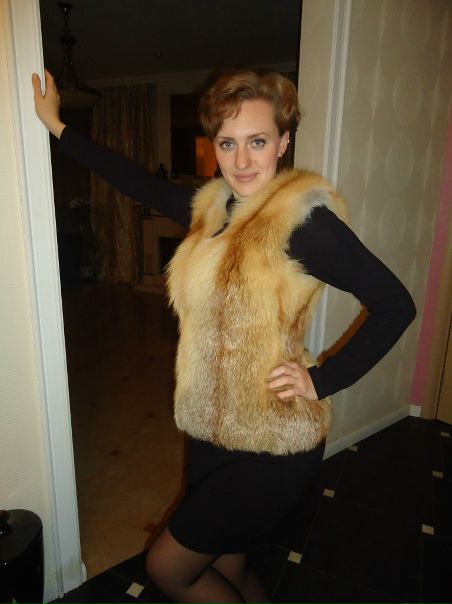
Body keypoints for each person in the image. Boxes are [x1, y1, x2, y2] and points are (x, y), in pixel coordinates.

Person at [33, 69, 416, 604]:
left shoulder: (304, 222)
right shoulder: (212, 208)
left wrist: (322, 379)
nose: (241, 161)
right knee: (228, 566)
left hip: (271, 440)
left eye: (257, 141)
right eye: (227, 143)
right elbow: (135, 181)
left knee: (168, 568)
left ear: (283, 142)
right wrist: (57, 126)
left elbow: (396, 305)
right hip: (210, 431)